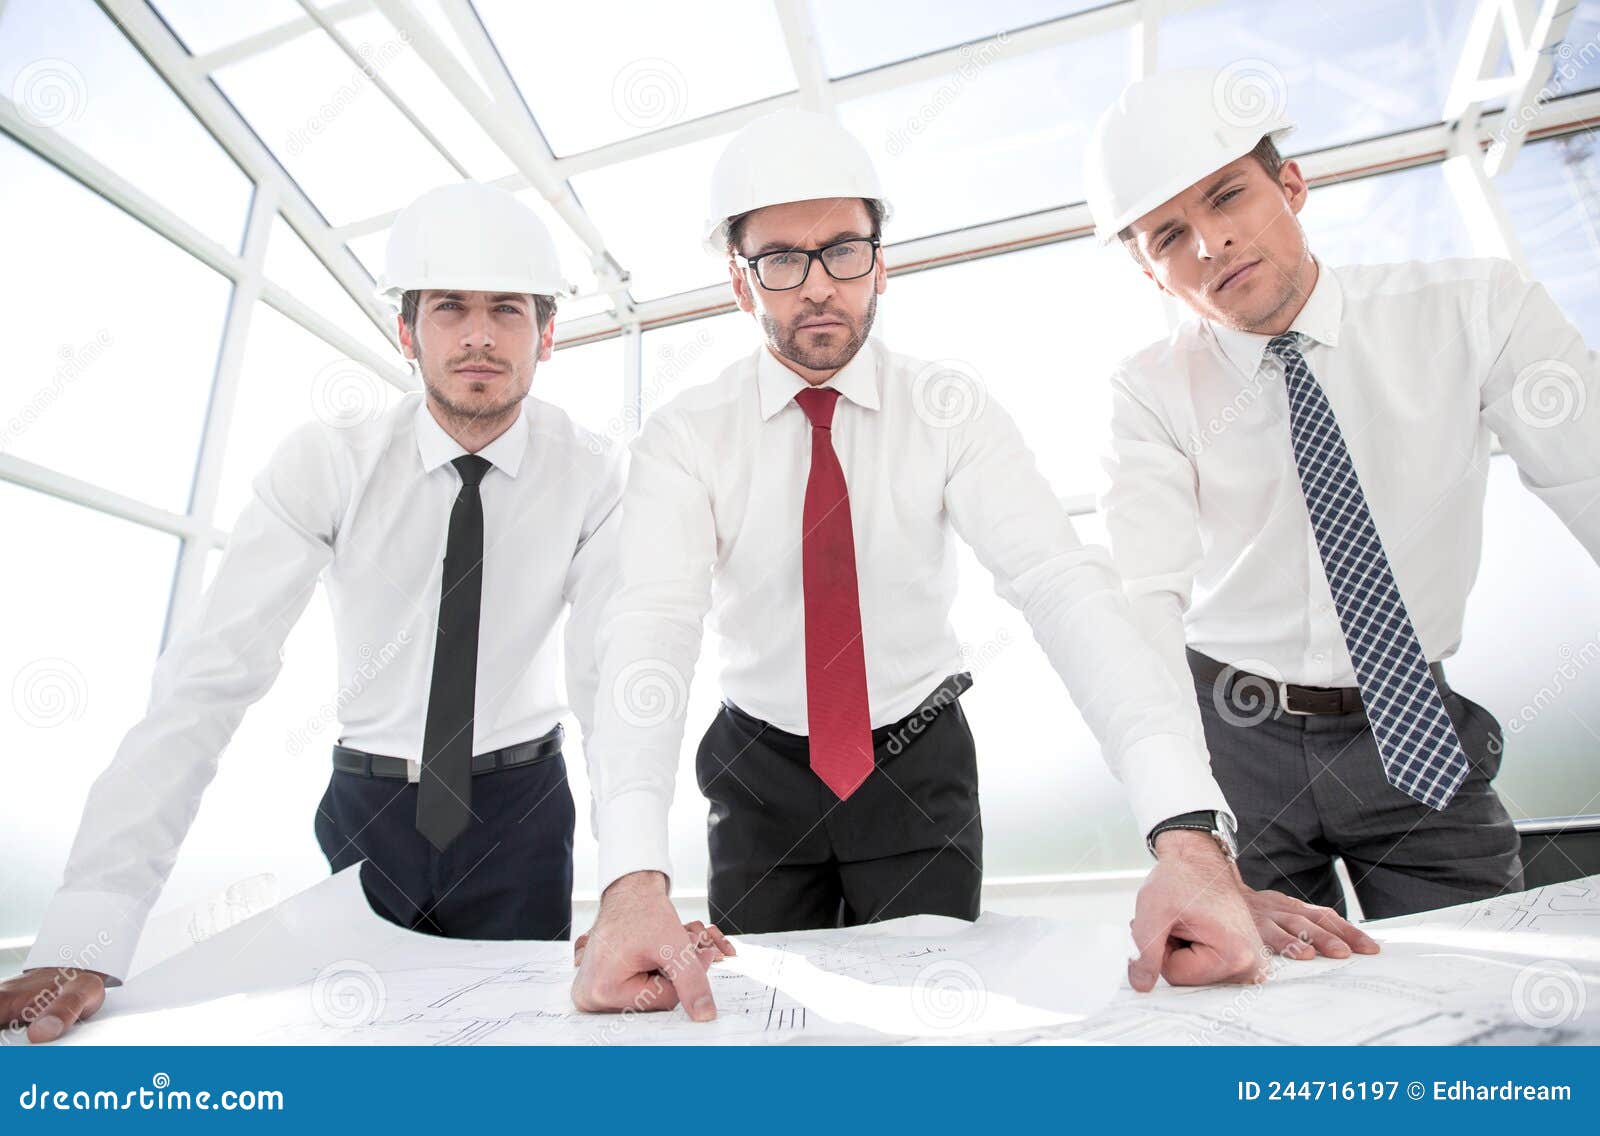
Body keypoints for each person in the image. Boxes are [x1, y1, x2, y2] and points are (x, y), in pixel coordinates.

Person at [571, 109, 1374, 1022]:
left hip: (917, 759)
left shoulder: (950, 408)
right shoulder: (686, 435)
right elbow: (653, 626)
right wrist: (630, 875)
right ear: (738, 282)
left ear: (882, 260)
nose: (819, 287)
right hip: (756, 771)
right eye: (781, 261)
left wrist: (1187, 836)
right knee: (771, 1020)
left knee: (935, 1017)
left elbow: (1062, 587)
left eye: (843, 250)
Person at [2, 182, 633, 1043]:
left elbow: (613, 685)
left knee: (511, 1055)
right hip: (370, 810)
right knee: (365, 1052)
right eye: (450, 308)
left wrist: (637, 882)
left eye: (507, 310)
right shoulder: (326, 464)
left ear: (547, 334)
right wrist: (86, 938)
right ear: (405, 332)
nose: (480, 334)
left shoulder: (596, 475)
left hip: (522, 816)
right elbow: (205, 683)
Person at [1089, 67, 1600, 919]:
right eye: (1169, 236)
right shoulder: (1147, 392)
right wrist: (1182, 826)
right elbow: (1142, 597)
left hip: (1411, 720)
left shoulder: (1475, 309)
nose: (1210, 245)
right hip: (1231, 732)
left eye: (1228, 198)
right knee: (1256, 1001)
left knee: (1482, 971)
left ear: (1291, 186)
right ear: (1152, 275)